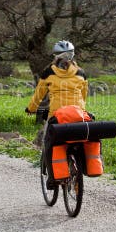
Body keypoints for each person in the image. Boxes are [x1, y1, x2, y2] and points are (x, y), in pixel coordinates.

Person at [25, 40, 89, 188]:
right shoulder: (81, 73)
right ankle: (79, 169)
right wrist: (80, 110)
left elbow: (39, 94)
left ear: (55, 56)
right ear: (73, 56)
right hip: (78, 114)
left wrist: (31, 108)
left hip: (57, 116)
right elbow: (84, 95)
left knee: (48, 144)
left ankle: (52, 179)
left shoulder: (49, 72)